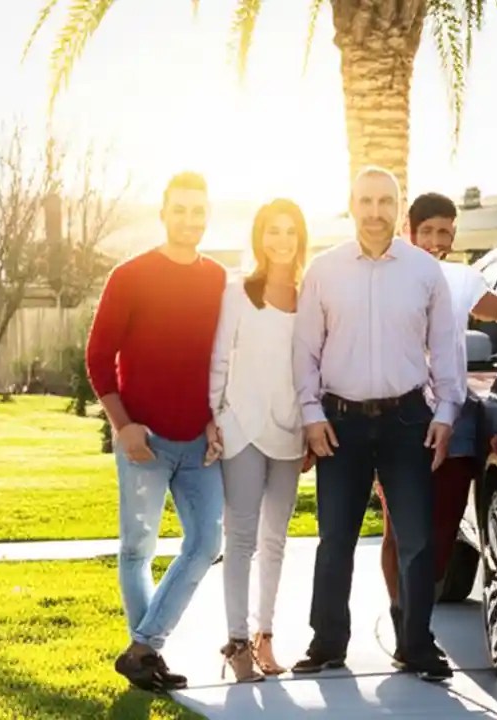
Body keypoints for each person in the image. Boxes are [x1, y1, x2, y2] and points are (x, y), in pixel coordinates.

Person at [291, 167, 465, 682]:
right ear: (352, 205)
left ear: (398, 207)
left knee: (416, 539)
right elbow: (305, 351)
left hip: (407, 420)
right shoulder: (324, 270)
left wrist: (446, 414)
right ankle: (327, 643)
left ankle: (415, 645)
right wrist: (311, 414)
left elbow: (446, 349)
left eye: (384, 201)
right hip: (339, 422)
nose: (374, 211)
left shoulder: (424, 271)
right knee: (335, 539)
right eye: (365, 201)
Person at [376, 193, 497, 666]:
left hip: (453, 419)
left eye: (444, 231)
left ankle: (418, 623)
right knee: (400, 531)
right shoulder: (384, 278)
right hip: (397, 420)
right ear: (409, 231)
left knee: (440, 531)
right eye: (427, 231)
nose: (435, 241)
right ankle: (406, 627)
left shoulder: (462, 280)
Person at [85, 171, 227, 692]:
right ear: (163, 213)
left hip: (199, 443)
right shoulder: (130, 276)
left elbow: (222, 357)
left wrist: (216, 416)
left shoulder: (219, 280)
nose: (189, 219)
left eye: (198, 210)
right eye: (180, 209)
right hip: (143, 442)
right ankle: (147, 658)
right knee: (136, 551)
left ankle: (143, 646)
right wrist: (123, 426)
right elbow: (98, 357)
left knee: (206, 542)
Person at [208, 199, 312, 682]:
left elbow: (315, 367)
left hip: (291, 432)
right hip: (244, 429)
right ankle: (236, 643)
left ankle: (264, 636)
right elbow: (219, 360)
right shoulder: (238, 293)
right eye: (273, 231)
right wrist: (215, 416)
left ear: (301, 238)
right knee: (241, 538)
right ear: (259, 237)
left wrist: (312, 426)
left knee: (275, 540)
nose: (281, 241)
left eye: (290, 231)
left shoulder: (309, 297)